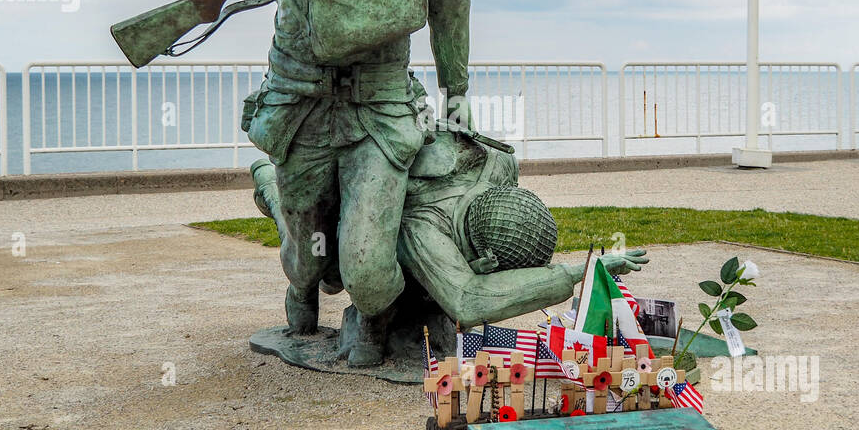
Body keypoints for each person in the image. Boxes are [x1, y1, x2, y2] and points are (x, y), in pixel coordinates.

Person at [186, 0, 472, 367]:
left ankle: (373, 317)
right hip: (301, 106)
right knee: (307, 260)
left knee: (367, 269)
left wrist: (457, 94)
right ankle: (292, 257)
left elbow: (451, 14)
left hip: (381, 110)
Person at [251, 129, 649, 334]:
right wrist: (582, 271)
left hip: (377, 185)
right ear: (485, 258)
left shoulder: (498, 164)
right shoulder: (426, 226)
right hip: (345, 211)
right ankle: (270, 186)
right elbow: (467, 299)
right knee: (322, 268)